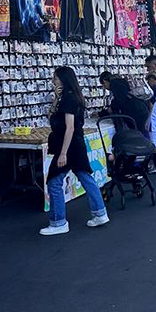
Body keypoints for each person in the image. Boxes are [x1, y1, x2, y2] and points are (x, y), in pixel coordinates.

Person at [40, 65, 109, 236]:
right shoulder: (69, 97)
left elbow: (69, 127)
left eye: (56, 78)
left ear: (63, 79)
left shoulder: (69, 99)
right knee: (85, 177)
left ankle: (58, 221)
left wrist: (63, 153)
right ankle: (100, 213)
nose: (53, 81)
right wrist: (56, 98)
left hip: (68, 145)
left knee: (54, 181)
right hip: (74, 144)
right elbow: (52, 117)